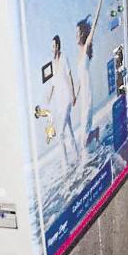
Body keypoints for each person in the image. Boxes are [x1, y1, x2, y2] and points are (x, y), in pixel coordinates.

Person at [74, 0, 106, 152]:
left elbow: (94, 24)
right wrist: (75, 96)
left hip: (88, 94)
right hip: (83, 96)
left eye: (78, 32)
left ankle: (94, 135)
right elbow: (80, 79)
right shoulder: (78, 55)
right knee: (82, 135)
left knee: (83, 140)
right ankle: (94, 134)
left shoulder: (86, 47)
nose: (76, 35)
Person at [45, 34, 79, 171]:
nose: (52, 49)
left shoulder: (64, 58)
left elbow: (69, 76)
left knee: (60, 134)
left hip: (66, 100)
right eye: (51, 46)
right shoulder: (52, 64)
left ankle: (65, 165)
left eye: (53, 46)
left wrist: (73, 95)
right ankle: (78, 156)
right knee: (70, 131)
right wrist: (49, 95)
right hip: (59, 101)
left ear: (58, 46)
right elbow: (53, 84)